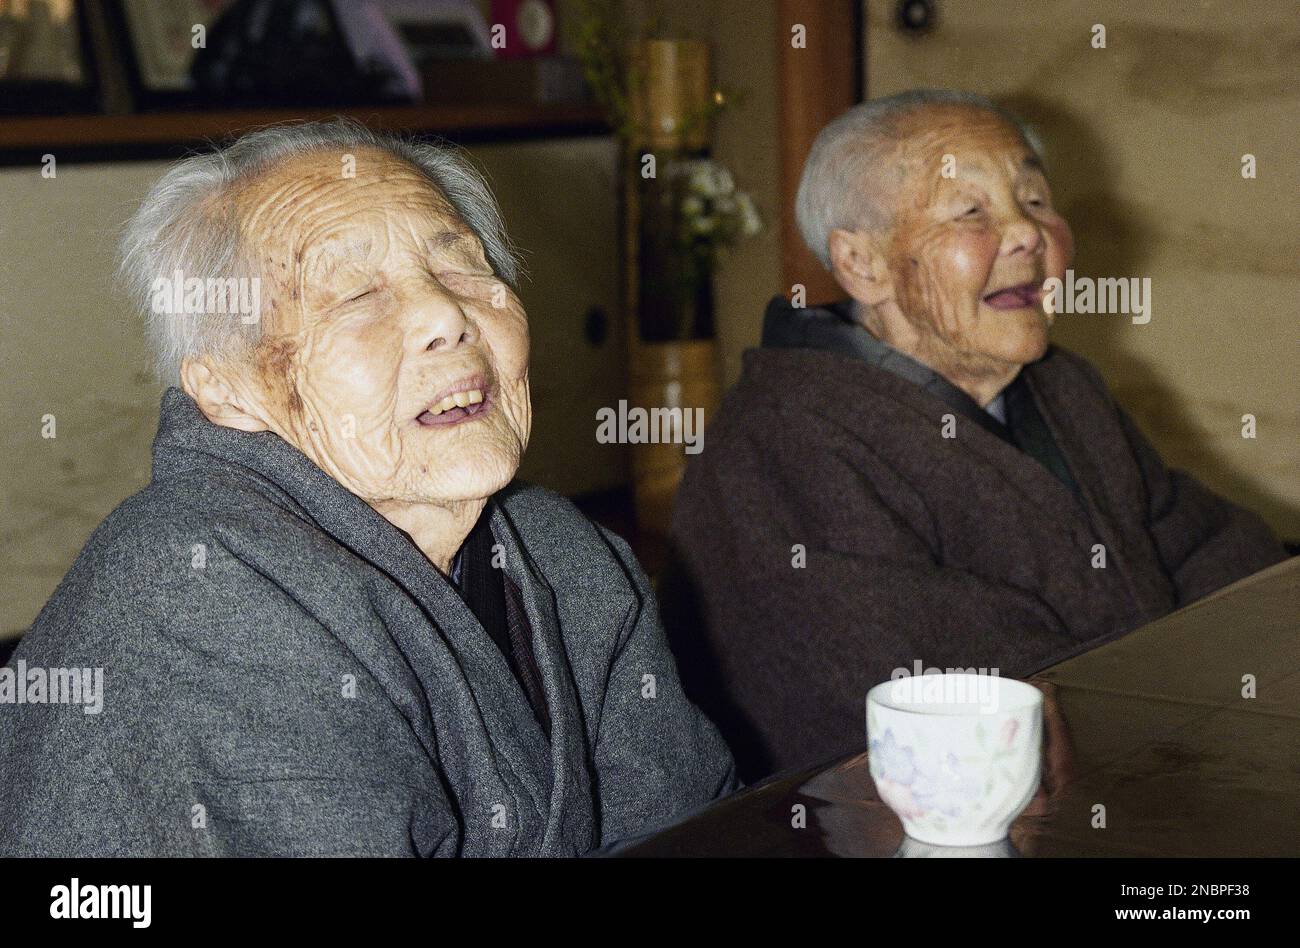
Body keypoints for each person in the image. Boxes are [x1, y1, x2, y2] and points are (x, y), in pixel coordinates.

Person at [0, 120, 736, 856]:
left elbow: (697, 833)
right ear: (227, 388)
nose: (445, 317)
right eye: (355, 294)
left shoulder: (560, 553)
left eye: (462, 270)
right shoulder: (196, 593)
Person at [666, 90, 1287, 781]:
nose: (1027, 234)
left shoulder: (1061, 389)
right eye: (971, 212)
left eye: (1036, 200)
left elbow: (1214, 553)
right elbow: (971, 714)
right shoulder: (781, 447)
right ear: (863, 265)